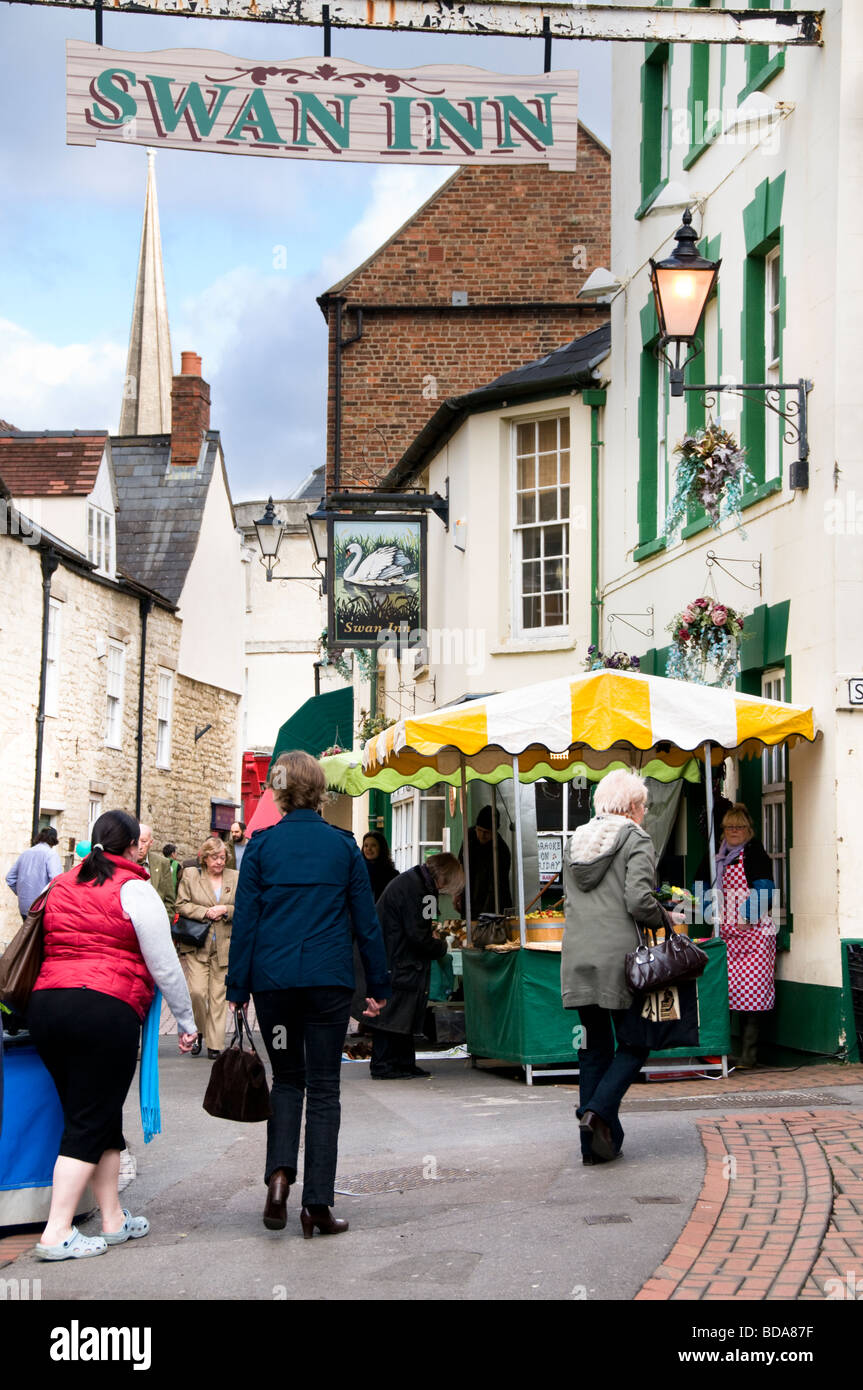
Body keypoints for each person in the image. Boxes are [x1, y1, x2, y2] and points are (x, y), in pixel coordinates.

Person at [227, 751, 390, 1238]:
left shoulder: (260, 848)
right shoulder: (343, 848)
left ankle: (279, 1177)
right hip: (327, 985)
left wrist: (238, 988)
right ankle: (316, 1203)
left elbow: (246, 925)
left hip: (274, 987)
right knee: (324, 1089)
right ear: (321, 791)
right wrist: (379, 986)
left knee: (287, 1080)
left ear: (277, 792)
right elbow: (367, 922)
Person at [26, 810, 196, 1262]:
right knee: (88, 1119)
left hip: (47, 1007)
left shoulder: (59, 884)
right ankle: (57, 1231)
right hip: (104, 1008)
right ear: (131, 847)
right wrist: (187, 1021)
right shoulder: (134, 889)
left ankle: (112, 1218)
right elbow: (164, 964)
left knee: (97, 1114)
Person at [561, 769, 670, 1165]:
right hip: (620, 958)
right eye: (642, 805)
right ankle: (598, 1112)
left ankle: (596, 1147)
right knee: (638, 1040)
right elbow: (640, 900)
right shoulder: (635, 838)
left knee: (591, 1048)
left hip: (577, 956)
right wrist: (665, 918)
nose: (644, 812)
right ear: (630, 807)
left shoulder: (575, 841)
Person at [368, 852, 465, 1081]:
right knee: (394, 1011)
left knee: (405, 1011)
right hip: (398, 957)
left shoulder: (417, 882)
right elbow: (418, 935)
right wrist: (441, 947)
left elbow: (425, 924)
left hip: (398, 955)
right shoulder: (418, 889)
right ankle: (384, 1064)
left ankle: (403, 1063)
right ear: (443, 877)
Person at [714, 803, 776, 1069]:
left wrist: (747, 916)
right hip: (726, 936)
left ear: (748, 830)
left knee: (752, 995)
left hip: (754, 937)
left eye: (739, 827)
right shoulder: (717, 857)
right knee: (725, 995)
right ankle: (725, 1053)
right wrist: (709, 912)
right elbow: (703, 886)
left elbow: (765, 888)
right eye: (729, 827)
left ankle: (749, 1056)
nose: (734, 831)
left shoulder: (754, 853)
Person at [176, 837, 238, 1059]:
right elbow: (180, 904)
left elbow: (244, 906)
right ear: (204, 858)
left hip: (224, 944)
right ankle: (199, 1031)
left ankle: (215, 1044)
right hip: (197, 943)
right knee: (197, 993)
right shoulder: (192, 875)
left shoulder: (235, 877)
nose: (219, 862)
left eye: (222, 857)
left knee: (218, 996)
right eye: (215, 857)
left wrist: (225, 909)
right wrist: (205, 912)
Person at [457, 805, 511, 916]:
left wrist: (483, 918)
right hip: (470, 895)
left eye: (486, 832)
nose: (481, 835)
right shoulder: (470, 835)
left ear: (495, 831)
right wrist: (457, 892)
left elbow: (496, 888)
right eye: (479, 830)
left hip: (494, 903)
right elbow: (460, 864)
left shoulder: (502, 851)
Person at [5, 827, 63, 918]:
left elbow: (10, 878)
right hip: (41, 907)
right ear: (54, 839)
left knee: (27, 932)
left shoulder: (25, 853)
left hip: (24, 906)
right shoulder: (51, 854)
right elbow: (56, 881)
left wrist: (22, 892)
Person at [136, 824, 176, 923]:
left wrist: (162, 924)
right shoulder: (124, 861)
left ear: (151, 843)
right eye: (136, 841)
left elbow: (170, 901)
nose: (139, 846)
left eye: (144, 841)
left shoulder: (162, 863)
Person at [361, 831, 398, 900]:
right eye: (366, 846)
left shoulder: (392, 875)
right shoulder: (357, 872)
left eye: (373, 845)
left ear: (381, 848)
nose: (369, 849)